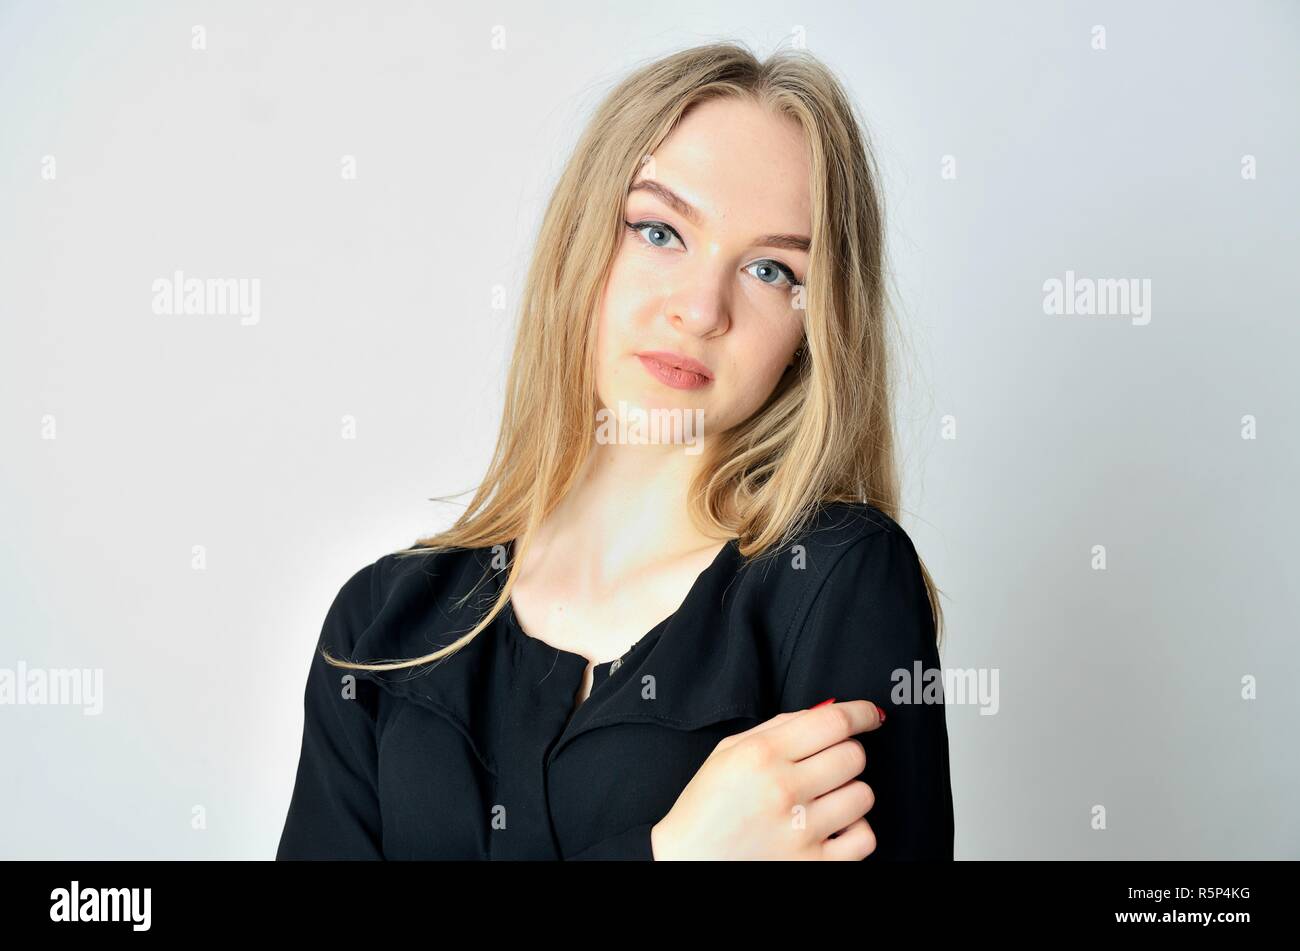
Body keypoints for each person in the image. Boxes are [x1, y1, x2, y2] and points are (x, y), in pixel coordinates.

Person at [276, 41, 953, 861]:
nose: (702, 309)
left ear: (815, 330)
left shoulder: (836, 583)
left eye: (772, 269)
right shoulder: (382, 624)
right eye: (660, 230)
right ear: (581, 241)